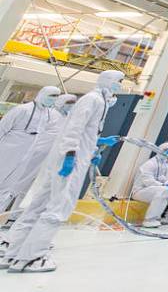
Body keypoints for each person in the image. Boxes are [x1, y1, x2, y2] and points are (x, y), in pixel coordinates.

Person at [0, 70, 124, 273]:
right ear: (109, 81)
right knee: (58, 208)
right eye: (119, 81)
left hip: (68, 158)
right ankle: (33, 257)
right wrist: (70, 155)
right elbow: (73, 130)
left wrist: (93, 149)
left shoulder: (97, 102)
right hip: (70, 162)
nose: (120, 85)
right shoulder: (94, 100)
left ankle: (15, 253)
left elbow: (84, 132)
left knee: (38, 206)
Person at [0, 87, 62, 214]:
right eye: (52, 95)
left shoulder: (48, 114)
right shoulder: (22, 110)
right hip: (8, 150)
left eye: (56, 96)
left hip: (26, 154)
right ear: (43, 94)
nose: (53, 99)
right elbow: (3, 128)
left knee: (7, 189)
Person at [131, 142, 168, 228]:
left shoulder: (165, 164)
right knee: (164, 190)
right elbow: (148, 181)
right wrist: (163, 185)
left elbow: (164, 178)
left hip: (159, 191)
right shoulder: (150, 164)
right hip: (140, 192)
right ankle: (150, 220)